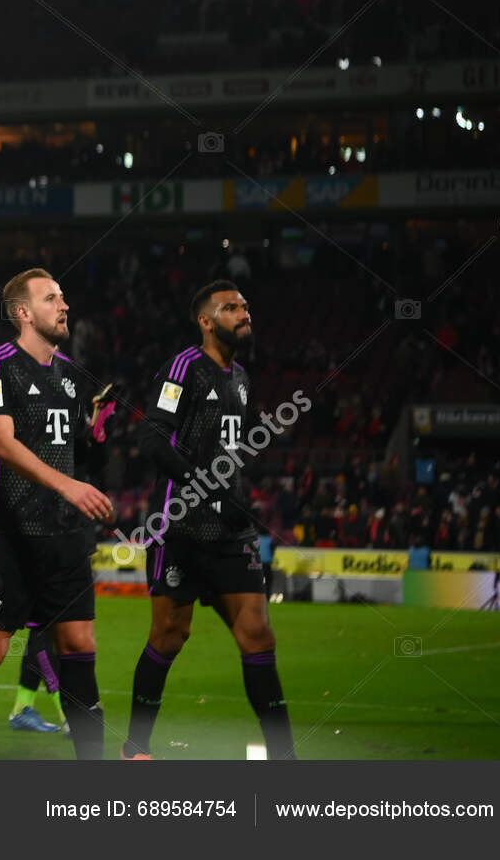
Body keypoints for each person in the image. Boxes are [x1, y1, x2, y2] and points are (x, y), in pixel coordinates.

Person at [121, 279, 296, 761]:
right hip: (180, 525)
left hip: (230, 528)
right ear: (205, 320)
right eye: (231, 308)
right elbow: (153, 441)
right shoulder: (183, 369)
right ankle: (135, 748)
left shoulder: (240, 377)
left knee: (257, 633)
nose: (244, 314)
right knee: (170, 636)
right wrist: (205, 482)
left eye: (245, 306)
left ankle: (284, 756)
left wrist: (236, 488)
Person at [0, 268, 116, 760]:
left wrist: (96, 434)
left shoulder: (69, 374)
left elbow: (70, 452)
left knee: (79, 648)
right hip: (12, 535)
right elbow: (1, 443)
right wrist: (70, 485)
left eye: (63, 296)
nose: (64, 305)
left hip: (64, 537)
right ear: (23, 312)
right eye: (51, 298)